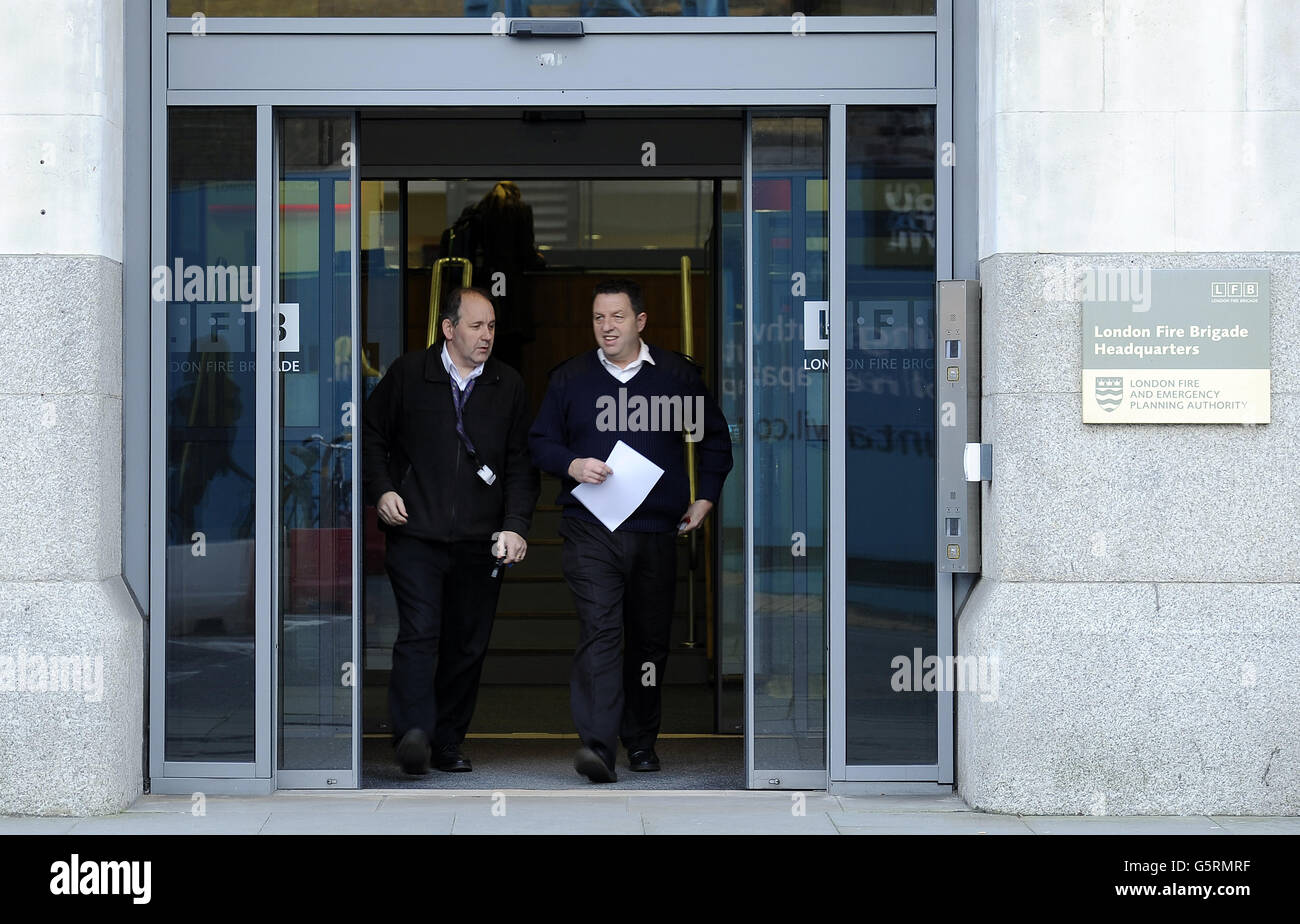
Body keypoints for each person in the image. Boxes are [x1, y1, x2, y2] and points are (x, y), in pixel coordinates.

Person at [529, 278, 733, 782]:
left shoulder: (677, 377)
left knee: (648, 641)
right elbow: (538, 443)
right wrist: (573, 464)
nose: (606, 327)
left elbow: (714, 441)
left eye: (616, 317)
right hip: (589, 529)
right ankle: (597, 746)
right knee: (601, 633)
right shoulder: (570, 379)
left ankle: (641, 743)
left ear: (640, 321)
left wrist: (705, 498)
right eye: (599, 318)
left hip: (655, 531)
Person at [363, 286, 539, 775]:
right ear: (449, 328)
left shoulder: (508, 385)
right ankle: (414, 735)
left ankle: (447, 741)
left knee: (466, 644)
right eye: (477, 326)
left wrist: (516, 526)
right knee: (420, 634)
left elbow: (522, 465)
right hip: (415, 533)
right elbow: (372, 436)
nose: (487, 336)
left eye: (492, 326)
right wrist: (381, 490)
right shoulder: (409, 375)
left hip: (481, 543)